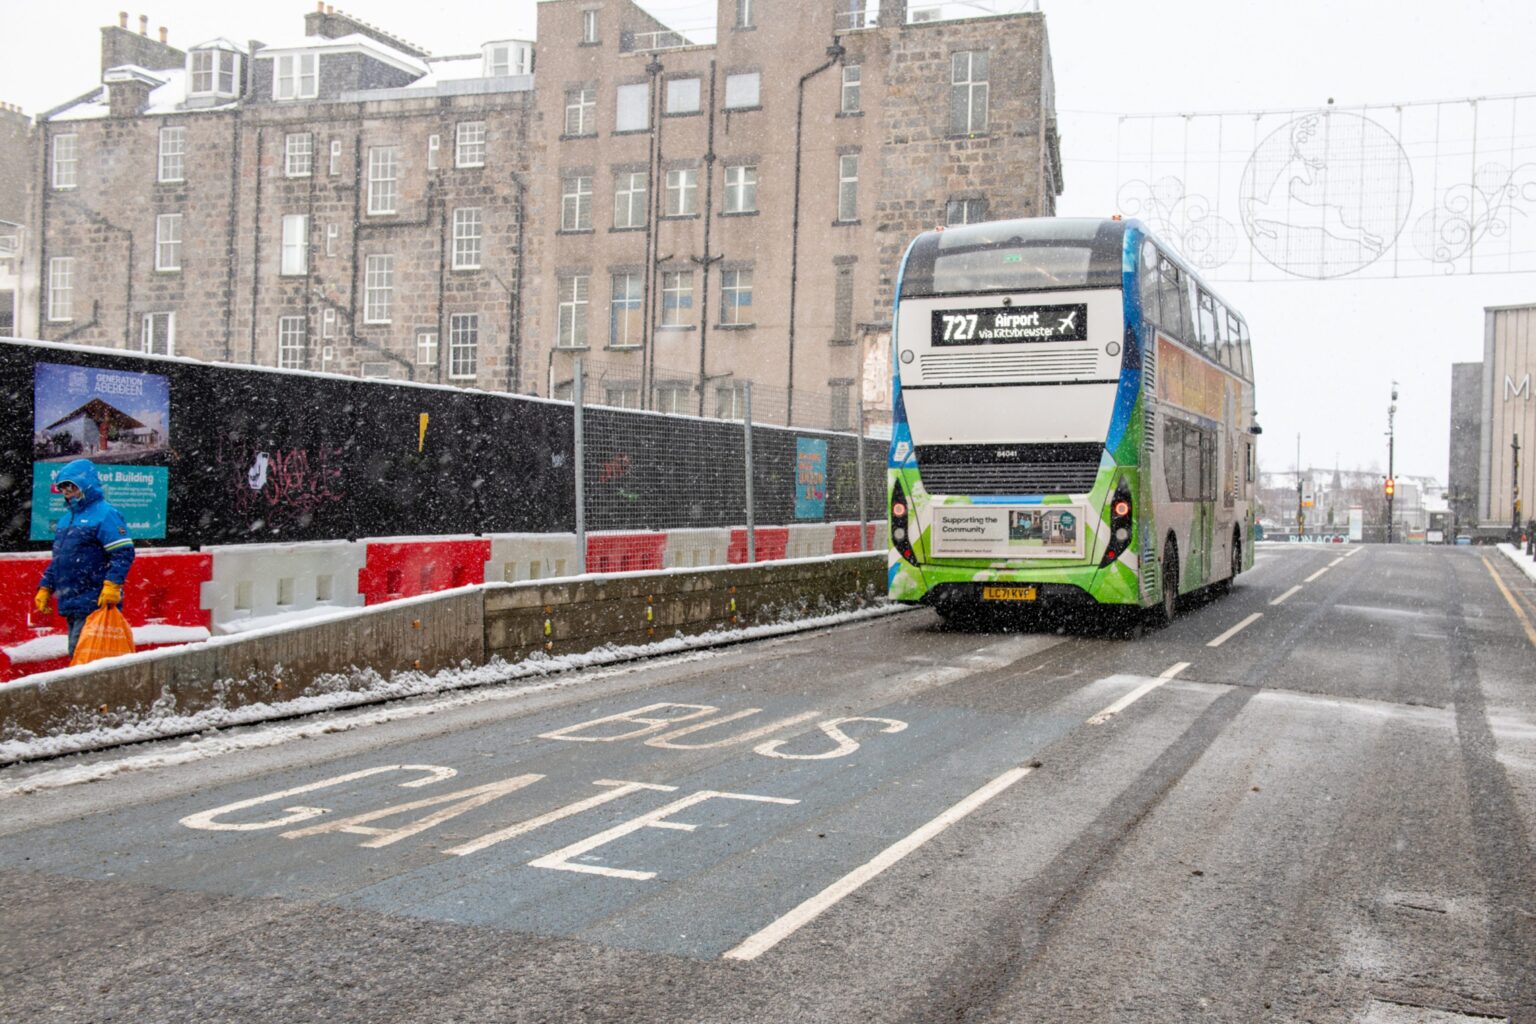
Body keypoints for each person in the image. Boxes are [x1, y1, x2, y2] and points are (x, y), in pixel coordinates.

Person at [33, 459, 136, 657]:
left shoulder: (106, 514)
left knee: (84, 657)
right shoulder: (66, 519)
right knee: (79, 654)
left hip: (94, 602)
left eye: (70, 486)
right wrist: (46, 586)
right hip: (71, 602)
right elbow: (61, 559)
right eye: (62, 487)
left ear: (85, 484)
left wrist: (112, 584)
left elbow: (123, 552)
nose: (66, 491)